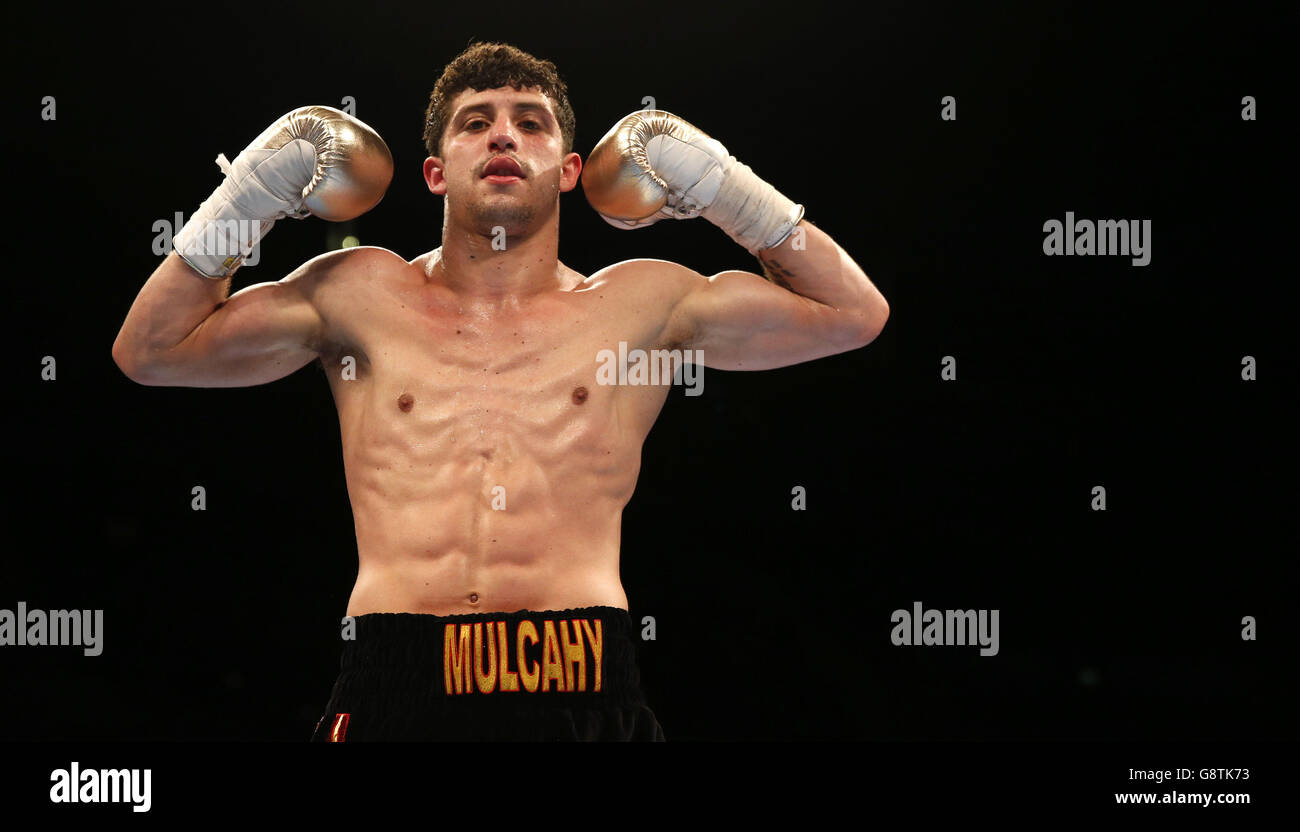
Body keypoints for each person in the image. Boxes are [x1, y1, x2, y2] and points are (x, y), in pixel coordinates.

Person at [111, 41, 889, 741]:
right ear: (436, 171)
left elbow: (852, 315)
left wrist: (723, 186)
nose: (505, 135)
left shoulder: (642, 307)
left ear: (572, 170)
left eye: (532, 122)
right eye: (476, 121)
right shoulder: (356, 293)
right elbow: (151, 351)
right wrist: (247, 196)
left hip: (578, 671)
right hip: (394, 669)